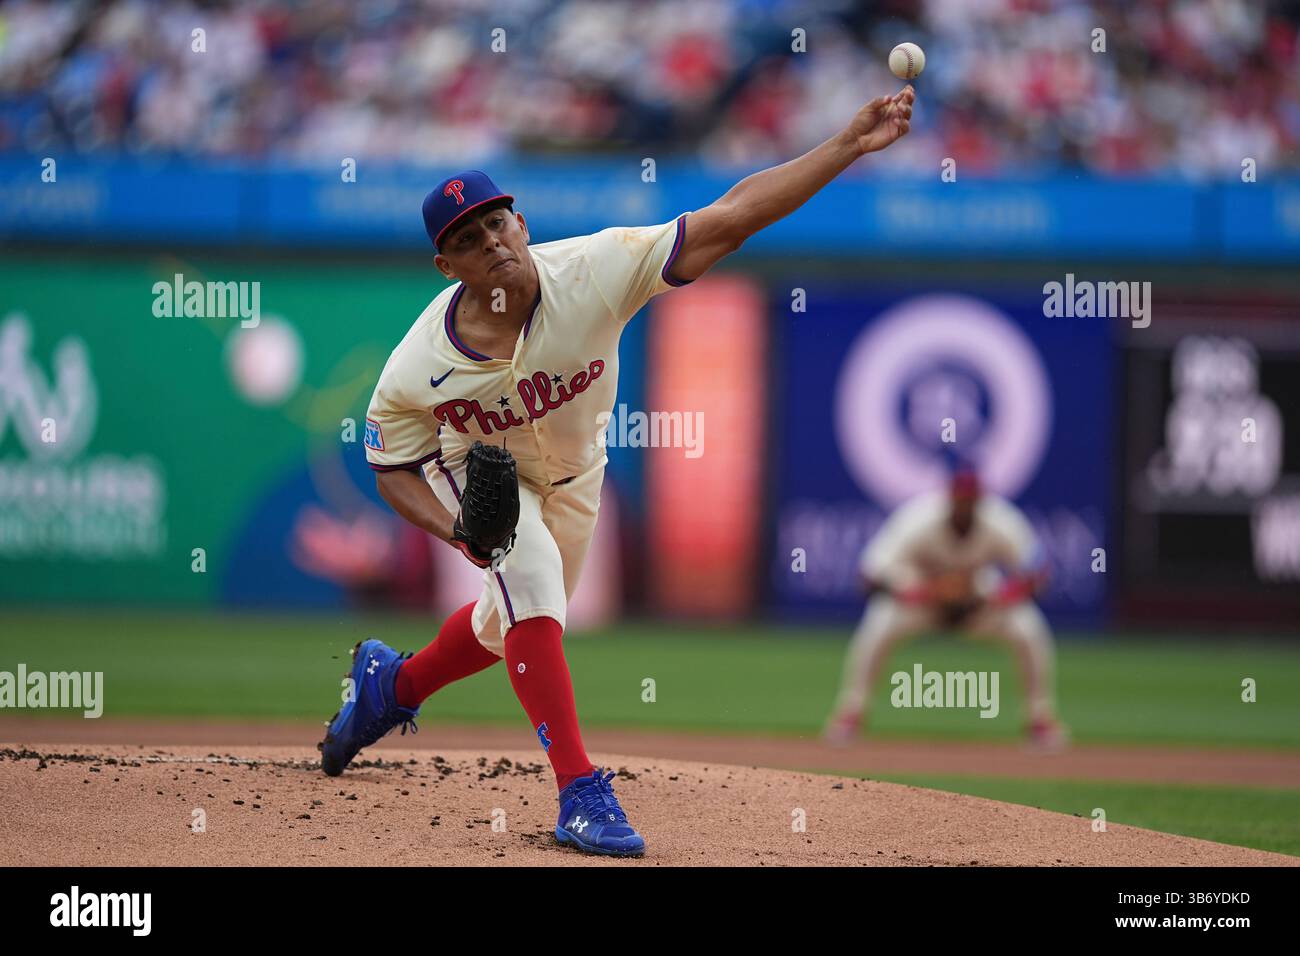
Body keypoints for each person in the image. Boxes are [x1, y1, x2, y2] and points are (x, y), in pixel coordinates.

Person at [319, 85, 918, 857]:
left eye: (498, 220)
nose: (492, 241)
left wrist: (845, 145)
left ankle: (387, 688)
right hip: (479, 474)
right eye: (468, 238)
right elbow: (393, 468)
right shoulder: (416, 369)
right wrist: (458, 529)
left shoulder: (599, 268)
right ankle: (580, 793)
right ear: (446, 265)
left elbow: (731, 218)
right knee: (525, 579)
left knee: (504, 630)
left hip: (577, 477)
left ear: (522, 221)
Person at [825, 469, 1069, 751]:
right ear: (948, 498)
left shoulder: (1001, 520)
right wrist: (916, 592)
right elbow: (868, 575)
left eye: (970, 499)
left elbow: (1037, 573)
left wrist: (1003, 595)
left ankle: (1040, 718)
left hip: (978, 602)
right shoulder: (918, 519)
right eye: (959, 498)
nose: (964, 504)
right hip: (923, 602)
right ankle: (851, 713)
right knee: (878, 624)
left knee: (1028, 628)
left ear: (980, 500)